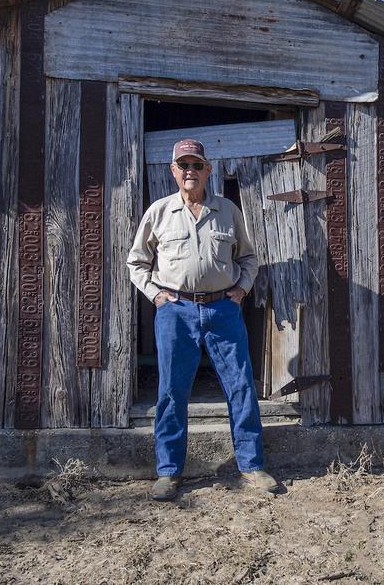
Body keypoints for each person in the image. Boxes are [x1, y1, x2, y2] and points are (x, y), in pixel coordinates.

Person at [127, 138, 280, 501]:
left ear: (208, 170)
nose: (190, 171)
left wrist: (241, 290)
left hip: (222, 310)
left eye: (197, 165)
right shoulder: (159, 212)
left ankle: (251, 466)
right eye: (184, 166)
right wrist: (156, 296)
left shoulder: (227, 211)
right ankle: (168, 472)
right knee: (170, 392)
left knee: (240, 386)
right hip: (175, 312)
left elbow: (249, 259)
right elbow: (137, 262)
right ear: (174, 172)